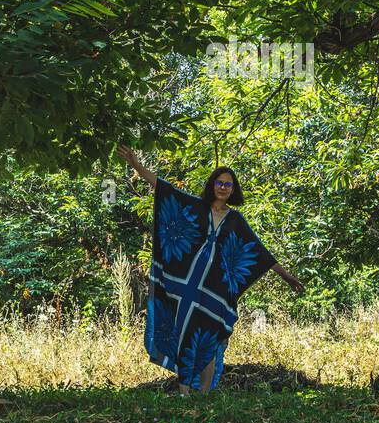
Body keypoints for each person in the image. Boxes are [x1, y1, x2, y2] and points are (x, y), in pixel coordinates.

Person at [117, 146, 304, 394]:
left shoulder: (235, 221)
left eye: (228, 184)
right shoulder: (195, 208)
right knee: (185, 333)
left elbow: (259, 252)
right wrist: (136, 165)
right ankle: (184, 393)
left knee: (210, 338)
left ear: (233, 190)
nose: (223, 187)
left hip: (214, 293)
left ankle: (204, 395)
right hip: (186, 289)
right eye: (219, 183)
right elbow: (164, 189)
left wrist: (286, 276)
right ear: (212, 185)